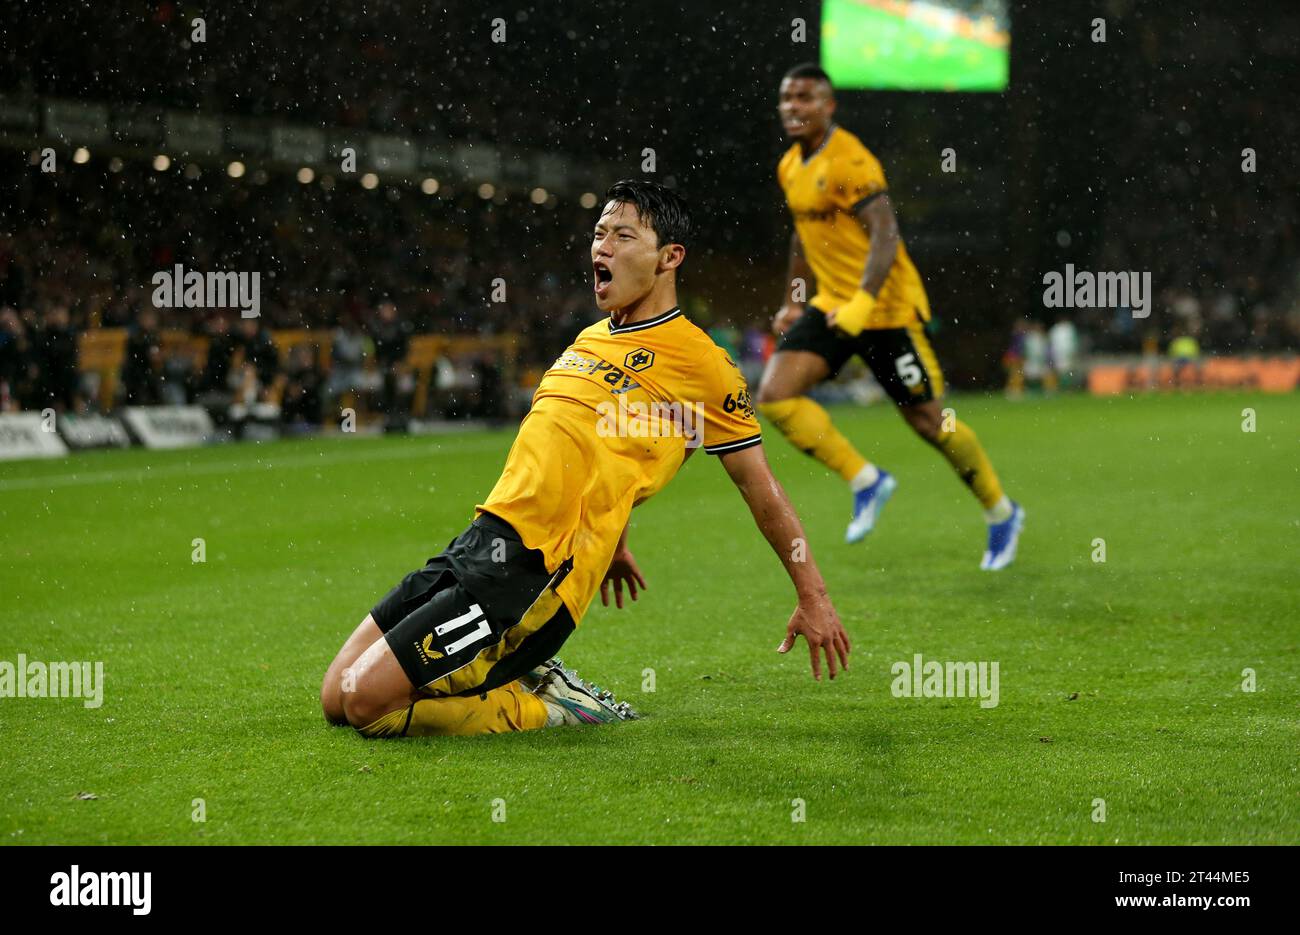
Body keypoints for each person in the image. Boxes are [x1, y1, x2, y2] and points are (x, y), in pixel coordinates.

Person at [320, 180, 849, 739]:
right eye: (599, 234)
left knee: (366, 706)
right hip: (481, 539)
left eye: (624, 236)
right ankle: (523, 676)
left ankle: (555, 706)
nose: (603, 247)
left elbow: (758, 486)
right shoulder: (590, 338)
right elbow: (607, 452)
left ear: (670, 257)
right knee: (336, 697)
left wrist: (812, 595)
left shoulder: (703, 366)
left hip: (534, 569)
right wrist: (616, 541)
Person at [758, 63, 1023, 570]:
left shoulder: (851, 160)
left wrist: (863, 302)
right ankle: (867, 480)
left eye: (806, 98)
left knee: (931, 422)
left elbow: (886, 233)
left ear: (829, 106)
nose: (794, 107)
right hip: (832, 304)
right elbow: (802, 235)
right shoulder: (791, 165)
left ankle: (1002, 512)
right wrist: (795, 299)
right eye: (787, 98)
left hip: (887, 309)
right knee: (775, 395)